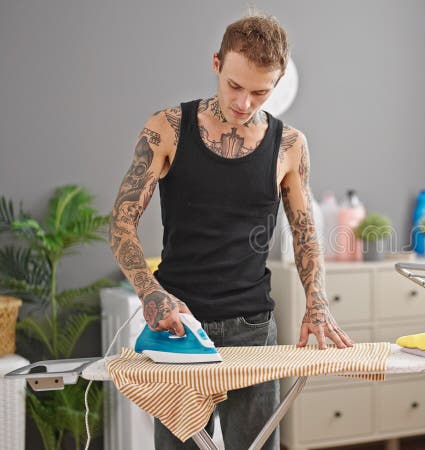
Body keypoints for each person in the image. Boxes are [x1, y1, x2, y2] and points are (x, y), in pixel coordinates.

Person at [108, 12, 353, 450]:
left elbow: (305, 235)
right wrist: (150, 292)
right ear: (217, 64)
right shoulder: (167, 129)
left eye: (260, 92)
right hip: (180, 328)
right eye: (235, 86)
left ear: (276, 84)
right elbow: (122, 221)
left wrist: (317, 301)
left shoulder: (290, 145)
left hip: (253, 329)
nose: (244, 103)